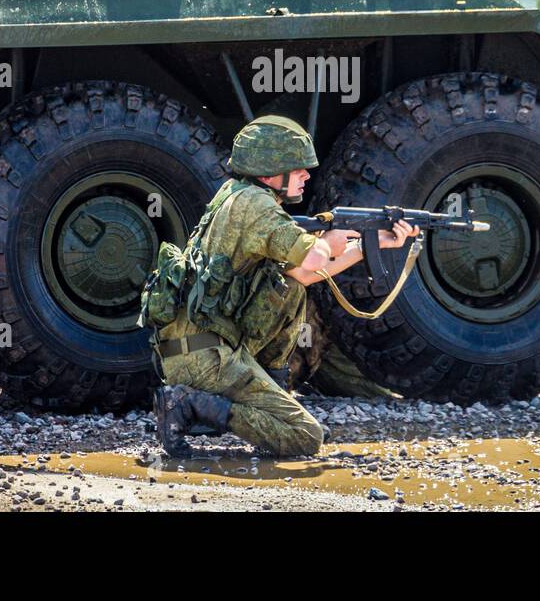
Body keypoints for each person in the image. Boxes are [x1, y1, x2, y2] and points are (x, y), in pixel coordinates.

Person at [146, 115, 416, 459]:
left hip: (196, 349)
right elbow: (316, 257)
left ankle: (271, 401)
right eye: (298, 168)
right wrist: (328, 239)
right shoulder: (257, 207)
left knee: (289, 288)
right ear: (270, 171)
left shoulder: (237, 195)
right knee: (305, 437)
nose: (306, 175)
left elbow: (304, 275)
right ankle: (188, 405)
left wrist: (367, 245)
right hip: (206, 358)